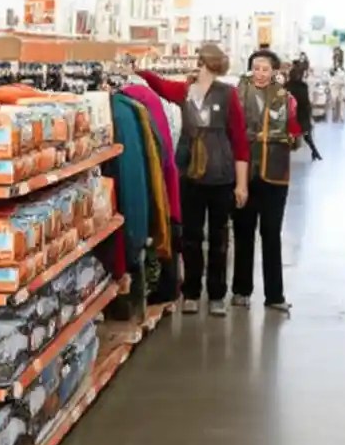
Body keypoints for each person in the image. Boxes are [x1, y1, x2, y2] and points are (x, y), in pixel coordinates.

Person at [135, 44, 250, 317]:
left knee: (219, 238)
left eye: (200, 61)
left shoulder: (228, 93)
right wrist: (139, 71)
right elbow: (160, 86)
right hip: (190, 173)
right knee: (191, 237)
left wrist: (241, 183)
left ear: (207, 64)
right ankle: (192, 292)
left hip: (221, 174)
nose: (196, 66)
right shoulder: (184, 91)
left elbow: (240, 140)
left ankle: (217, 294)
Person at [233, 50, 300, 313]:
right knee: (243, 233)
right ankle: (241, 290)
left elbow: (295, 129)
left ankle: (274, 295)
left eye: (265, 68)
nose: (260, 73)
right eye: (256, 68)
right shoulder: (236, 96)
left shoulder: (286, 98)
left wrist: (292, 137)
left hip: (276, 173)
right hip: (243, 173)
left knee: (271, 234)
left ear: (274, 71)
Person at [285, 62, 322, 160]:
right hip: (301, 114)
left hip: (290, 115)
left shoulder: (286, 86)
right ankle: (314, 151)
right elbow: (305, 101)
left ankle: (314, 152)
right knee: (307, 133)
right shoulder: (303, 86)